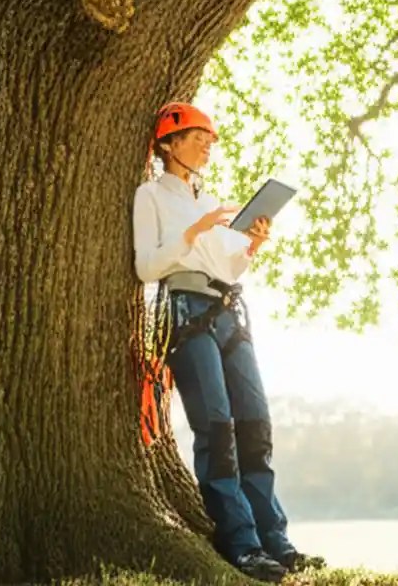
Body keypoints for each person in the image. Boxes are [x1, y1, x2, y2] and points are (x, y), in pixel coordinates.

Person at [132, 101, 323, 583]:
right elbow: (147, 268)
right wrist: (194, 232)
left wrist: (251, 245)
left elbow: (228, 267)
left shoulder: (207, 200)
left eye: (211, 142)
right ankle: (242, 545)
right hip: (186, 312)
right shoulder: (150, 196)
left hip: (230, 314)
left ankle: (275, 541)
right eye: (200, 140)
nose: (207, 148)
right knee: (217, 429)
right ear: (169, 144)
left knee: (255, 424)